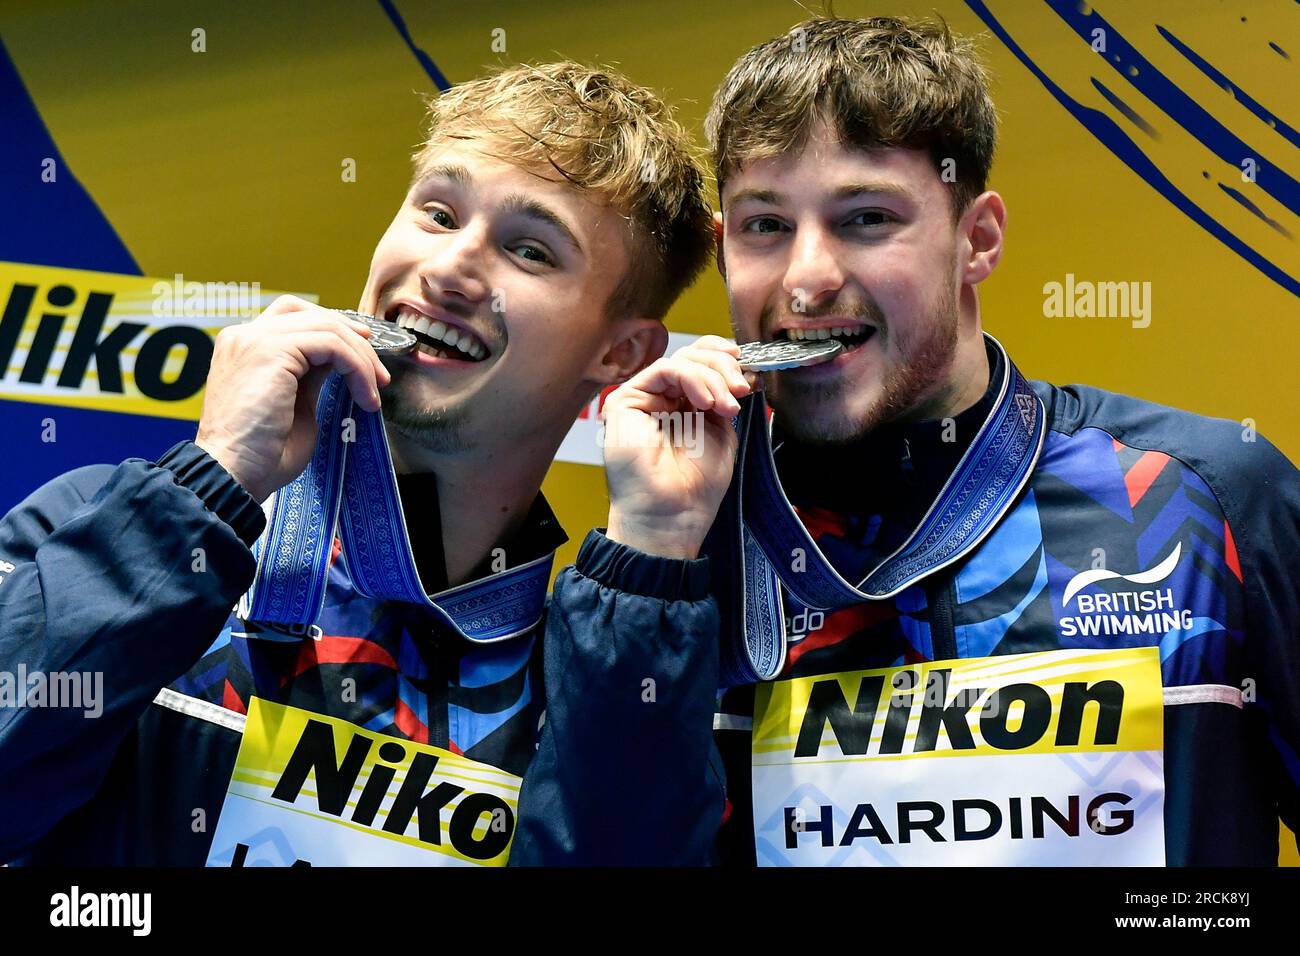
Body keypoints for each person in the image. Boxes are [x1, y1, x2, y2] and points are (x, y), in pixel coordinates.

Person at [513, 17, 1300, 866]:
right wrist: (654, 554)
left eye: (865, 218)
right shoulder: (681, 548)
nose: (807, 280)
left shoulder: (1206, 499)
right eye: (765, 226)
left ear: (978, 238)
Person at [0, 61, 713, 865]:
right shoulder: (106, 526)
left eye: (530, 250)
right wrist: (211, 483)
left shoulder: (582, 680)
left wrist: (654, 546)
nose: (447, 268)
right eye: (439, 213)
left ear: (620, 352)